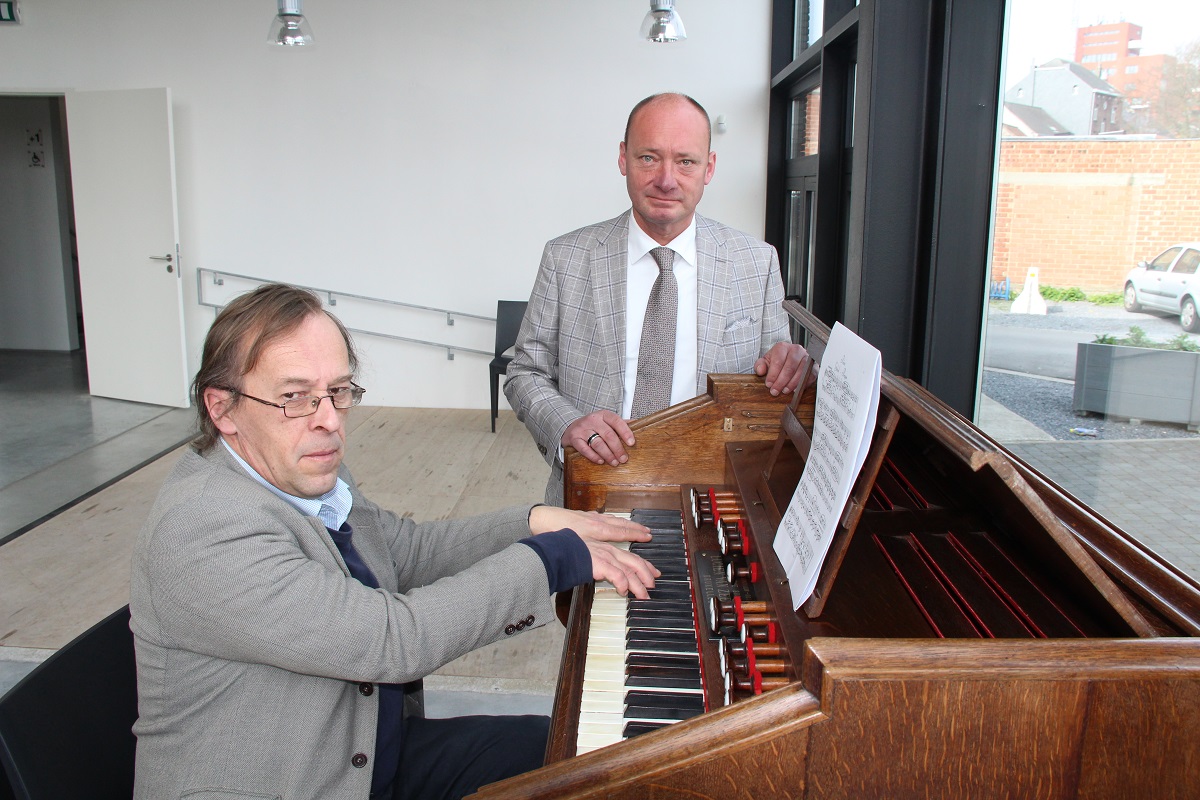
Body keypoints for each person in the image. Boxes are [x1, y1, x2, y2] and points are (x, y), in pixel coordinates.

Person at [129, 283, 659, 800]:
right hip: (285, 781)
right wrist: (548, 560)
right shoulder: (206, 527)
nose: (330, 421)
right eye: (295, 398)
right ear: (222, 409)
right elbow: (391, 641)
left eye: (338, 391)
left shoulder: (298, 465)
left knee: (589, 751)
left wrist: (537, 522)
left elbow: (404, 552)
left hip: (358, 749)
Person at [505, 92, 810, 505]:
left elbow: (772, 384)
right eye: (649, 157)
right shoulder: (566, 258)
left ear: (709, 168)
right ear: (622, 158)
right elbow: (526, 371)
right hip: (592, 486)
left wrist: (789, 370)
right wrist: (567, 425)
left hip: (713, 494)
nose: (667, 179)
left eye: (686, 161)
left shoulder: (756, 262)